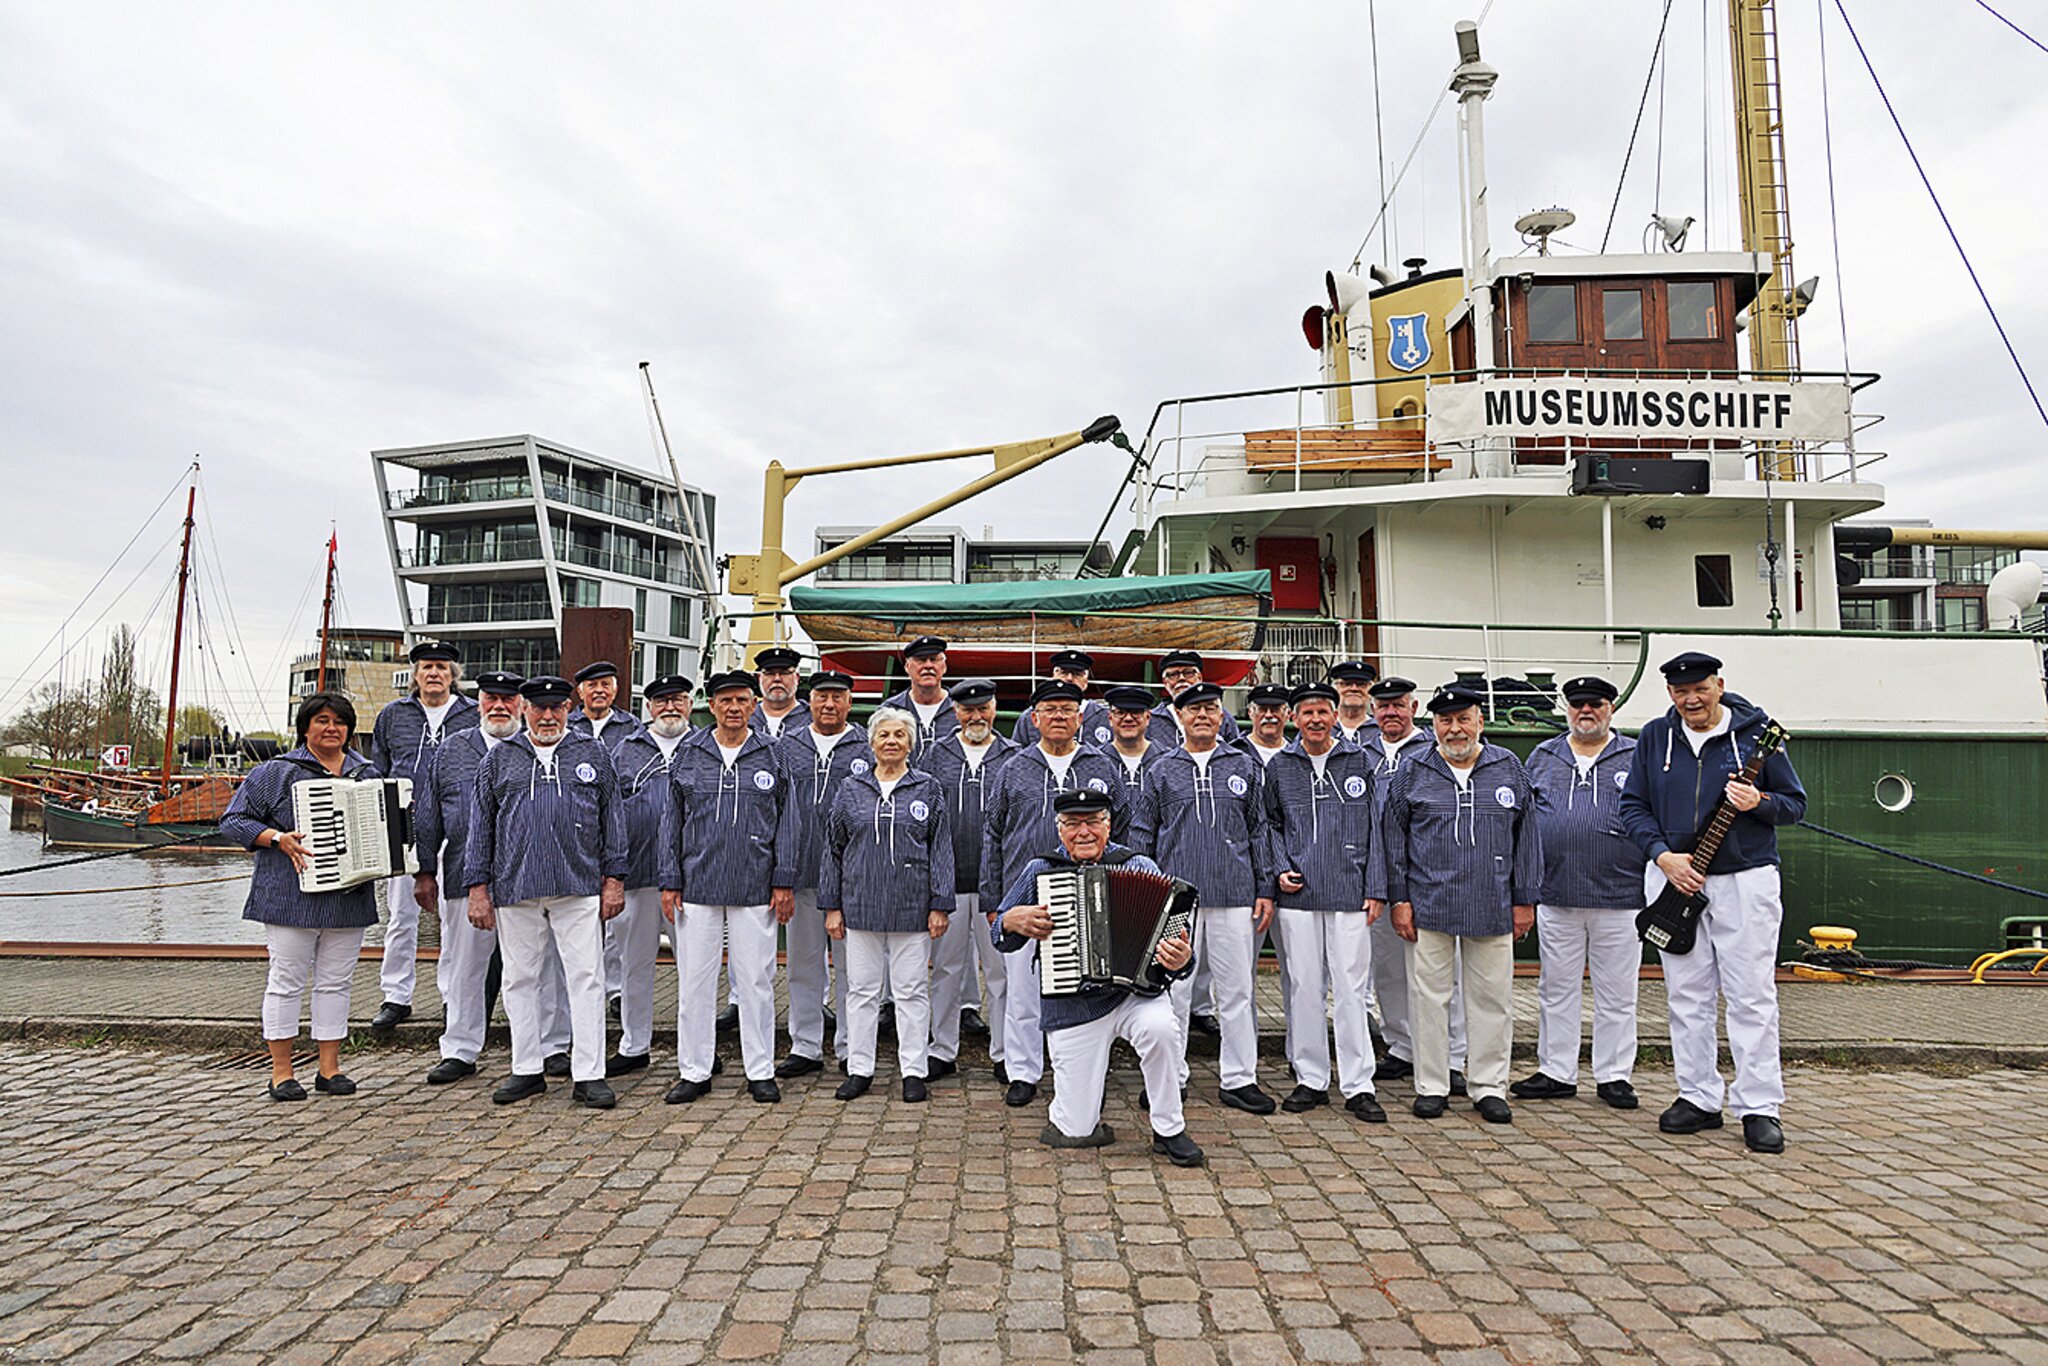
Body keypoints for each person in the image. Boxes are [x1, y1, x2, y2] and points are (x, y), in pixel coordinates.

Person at [1618, 652, 1805, 1155]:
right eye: (1681, 692)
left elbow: (1794, 804)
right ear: (1670, 695)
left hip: (1745, 879)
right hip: (1675, 877)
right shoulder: (1656, 737)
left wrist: (1759, 803)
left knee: (1751, 994)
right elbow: (1632, 805)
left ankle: (1759, 1105)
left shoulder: (1757, 733)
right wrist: (1662, 857)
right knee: (1686, 995)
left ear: (1719, 685)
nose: (1691, 699)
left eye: (1700, 688)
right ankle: (1698, 1095)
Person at [995, 789, 1202, 1165]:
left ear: (1109, 826)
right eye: (1073, 824)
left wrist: (1181, 960)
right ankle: (1084, 1096)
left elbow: (1179, 954)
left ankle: (1169, 1128)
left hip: (1135, 996)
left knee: (1161, 1029)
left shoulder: (1139, 865)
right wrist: (1010, 920)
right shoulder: (1040, 870)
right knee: (1075, 1130)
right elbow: (1000, 937)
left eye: (1093, 822)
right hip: (1072, 1004)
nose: (1084, 832)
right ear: (1060, 830)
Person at [464, 675, 630, 1110]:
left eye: (557, 707)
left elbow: (614, 818)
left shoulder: (593, 754)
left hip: (578, 884)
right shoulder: (501, 759)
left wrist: (615, 878)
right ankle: (527, 1068)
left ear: (569, 710)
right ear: (524, 709)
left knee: (587, 978)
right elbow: (480, 827)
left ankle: (589, 1073)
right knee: (519, 979)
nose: (548, 716)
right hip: (516, 885)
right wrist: (477, 887)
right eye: (539, 708)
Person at [1378, 685, 1542, 1124]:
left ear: (1480, 721)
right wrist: (1400, 900)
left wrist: (1525, 899)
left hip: (1492, 901)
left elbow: (1527, 838)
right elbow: (1394, 841)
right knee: (1429, 998)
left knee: (1493, 998)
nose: (1455, 729)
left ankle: (1489, 1085)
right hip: (1429, 900)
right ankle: (1431, 1084)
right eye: (1445, 721)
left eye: (1463, 719)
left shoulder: (1508, 767)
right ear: (1433, 725)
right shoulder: (1412, 771)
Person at [413, 671, 573, 1085]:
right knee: (466, 964)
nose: (499, 706)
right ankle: (460, 1048)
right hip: (468, 874)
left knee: (545, 965)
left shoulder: (540, 748)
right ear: (478, 702)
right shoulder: (451, 751)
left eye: (507, 699)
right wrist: (425, 871)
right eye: (490, 698)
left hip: (533, 875)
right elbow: (429, 816)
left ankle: (553, 1045)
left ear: (522, 704)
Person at [222, 691, 381, 1101]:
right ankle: (281, 1072)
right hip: (290, 895)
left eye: (339, 722)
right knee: (286, 982)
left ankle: (330, 1069)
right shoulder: (276, 772)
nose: (331, 729)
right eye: (322, 721)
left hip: (350, 894)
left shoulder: (367, 774)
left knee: (336, 983)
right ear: (305, 727)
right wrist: (276, 838)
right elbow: (234, 820)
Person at [980, 679, 1130, 1107]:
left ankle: (1082, 1068)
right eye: (1051, 710)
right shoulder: (1012, 767)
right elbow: (993, 834)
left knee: (1083, 985)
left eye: (1068, 708)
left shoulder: (1103, 766)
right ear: (1034, 719)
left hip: (1091, 894)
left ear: (1081, 717)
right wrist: (995, 902)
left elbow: (1125, 823)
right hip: (1026, 892)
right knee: (1023, 991)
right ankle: (1023, 1071)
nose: (1059, 716)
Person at [1131, 682, 1276, 1115]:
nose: (1202, 716)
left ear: (1221, 716)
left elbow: (1259, 831)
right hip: (1176, 898)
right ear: (1178, 717)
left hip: (1234, 893)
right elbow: (1143, 835)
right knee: (1172, 992)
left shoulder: (1244, 766)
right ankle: (1170, 1077)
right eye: (1192, 710)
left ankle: (1239, 1078)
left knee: (1236, 992)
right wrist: (1147, 890)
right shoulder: (1160, 769)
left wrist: (1265, 887)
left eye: (1210, 709)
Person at [660, 670, 799, 1104]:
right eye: (725, 701)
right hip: (698, 882)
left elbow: (789, 822)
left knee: (756, 980)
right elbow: (671, 820)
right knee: (695, 982)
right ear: (712, 706)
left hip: (754, 884)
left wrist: (784, 879)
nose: (734, 708)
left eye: (741, 700)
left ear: (753, 704)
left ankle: (760, 1069)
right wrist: (670, 879)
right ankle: (695, 1069)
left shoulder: (773, 755)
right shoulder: (689, 753)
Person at [1513, 676, 1646, 1109]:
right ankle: (1556, 1070)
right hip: (1556, 892)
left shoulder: (1635, 754)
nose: (1586, 711)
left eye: (1596, 703)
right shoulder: (1543, 755)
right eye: (1578, 704)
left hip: (1621, 895)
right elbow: (1525, 820)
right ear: (1566, 708)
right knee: (1556, 986)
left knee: (1617, 991)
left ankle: (1613, 1076)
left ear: (1611, 708)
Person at [1260, 682, 1386, 1122]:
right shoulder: (1280, 766)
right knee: (1304, 986)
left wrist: (1376, 887)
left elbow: (1378, 828)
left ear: (1335, 715)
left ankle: (1358, 1084)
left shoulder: (1361, 761)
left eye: (1322, 711)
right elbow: (1268, 825)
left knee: (1352, 989)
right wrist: (1278, 869)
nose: (1314, 719)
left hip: (1350, 892)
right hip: (1299, 894)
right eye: (1306, 712)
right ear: (1294, 719)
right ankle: (1310, 1077)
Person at [821, 708, 954, 1102]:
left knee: (912, 991)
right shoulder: (851, 789)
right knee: (861, 992)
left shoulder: (927, 788)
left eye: (900, 735)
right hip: (860, 904)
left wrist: (940, 904)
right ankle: (860, 1068)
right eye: (884, 735)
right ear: (872, 743)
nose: (892, 741)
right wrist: (832, 905)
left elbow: (940, 848)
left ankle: (914, 1069)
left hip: (912, 908)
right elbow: (833, 848)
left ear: (911, 743)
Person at [367, 639, 478, 1036]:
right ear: (415, 674)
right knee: (401, 915)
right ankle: (395, 995)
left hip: (455, 824)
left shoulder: (472, 714)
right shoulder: (393, 716)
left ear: (453, 675)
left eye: (442, 668)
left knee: (452, 916)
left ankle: (452, 996)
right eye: (427, 667)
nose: (434, 674)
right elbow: (377, 769)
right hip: (404, 824)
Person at [1357, 675, 1459, 1087]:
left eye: (1399, 705)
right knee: (1388, 969)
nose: (1391, 712)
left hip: (1426, 875)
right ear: (1372, 711)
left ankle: (1450, 1056)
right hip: (1379, 877)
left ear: (1414, 708)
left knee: (1438, 973)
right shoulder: (1360, 753)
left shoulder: (1434, 750)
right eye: (1383, 706)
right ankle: (1401, 1045)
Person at [773, 670, 867, 1078]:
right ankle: (806, 1044)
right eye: (822, 696)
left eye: (838, 697)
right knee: (803, 964)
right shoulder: (785, 747)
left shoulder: (866, 745)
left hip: (852, 877)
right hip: (803, 872)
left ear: (850, 702)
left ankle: (850, 1046)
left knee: (853, 970)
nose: (829, 704)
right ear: (809, 701)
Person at [925, 678, 1019, 1082]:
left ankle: (1004, 1051)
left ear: (994, 709)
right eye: (968, 709)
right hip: (951, 880)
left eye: (983, 708)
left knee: (1000, 972)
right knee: (946, 969)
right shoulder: (935, 756)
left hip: (997, 884)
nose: (976, 716)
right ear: (955, 712)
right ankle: (942, 1050)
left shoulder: (1014, 757)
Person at [603, 673, 696, 1078]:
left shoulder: (704, 746)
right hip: (637, 873)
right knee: (633, 965)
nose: (670, 708)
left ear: (690, 704)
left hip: (691, 877)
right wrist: (612, 873)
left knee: (694, 969)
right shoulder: (625, 750)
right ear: (648, 707)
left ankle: (697, 1048)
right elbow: (607, 812)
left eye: (677, 699)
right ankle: (634, 1044)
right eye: (661, 701)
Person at [1012, 648, 1113, 747]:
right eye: (1063, 672)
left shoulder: (1104, 717)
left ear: (1086, 681)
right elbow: (1017, 757)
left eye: (1077, 674)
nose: (1069, 678)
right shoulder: (1029, 717)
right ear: (1053, 676)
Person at [1145, 650, 1243, 750]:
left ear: (1199, 678)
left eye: (1188, 673)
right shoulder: (1152, 720)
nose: (1181, 678)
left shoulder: (1221, 715)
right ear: (1165, 682)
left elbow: (1235, 753)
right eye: (1173, 675)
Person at [879, 636, 958, 758]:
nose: (928, 666)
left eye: (934, 659)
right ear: (907, 667)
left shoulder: (961, 708)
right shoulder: (890, 709)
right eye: (921, 660)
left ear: (944, 667)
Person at [1103, 685, 1167, 793]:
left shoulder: (1166, 760)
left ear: (1148, 718)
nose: (1128, 718)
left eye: (1136, 712)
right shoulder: (1096, 760)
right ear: (1110, 718)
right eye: (1120, 713)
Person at [569, 660, 642, 751]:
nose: (599, 690)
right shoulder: (568, 725)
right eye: (592, 685)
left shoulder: (631, 725)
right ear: (580, 693)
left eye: (605, 685)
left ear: (615, 691)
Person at [747, 646, 811, 740]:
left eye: (784, 672)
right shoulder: (744, 717)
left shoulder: (813, 718)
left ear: (797, 678)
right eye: (770, 673)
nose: (777, 679)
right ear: (759, 678)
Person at [1328, 661, 1381, 743]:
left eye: (1361, 684)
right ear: (1335, 689)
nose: (1354, 689)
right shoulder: (1325, 727)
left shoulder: (1381, 729)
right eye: (1347, 684)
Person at [1244, 683, 1293, 764]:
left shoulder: (1298, 755)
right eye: (1262, 710)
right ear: (1250, 712)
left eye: (1276, 709)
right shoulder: (1234, 753)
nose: (1268, 715)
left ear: (1288, 714)